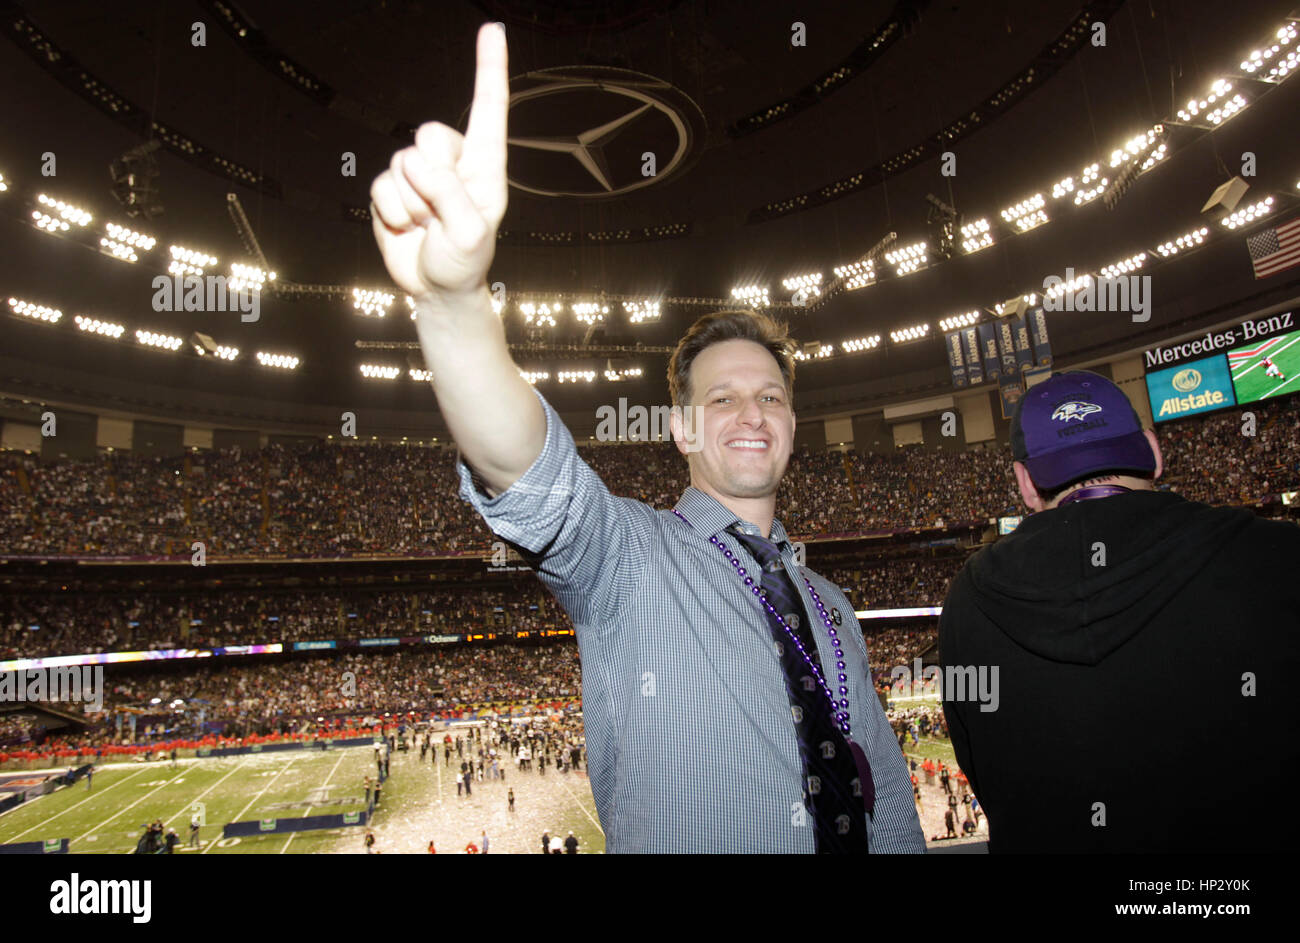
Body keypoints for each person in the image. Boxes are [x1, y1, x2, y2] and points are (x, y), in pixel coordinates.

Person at [367, 21, 922, 854]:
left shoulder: (832, 609)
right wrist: (454, 306)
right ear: (681, 427)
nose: (752, 412)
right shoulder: (627, 558)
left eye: (771, 394)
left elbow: (888, 807)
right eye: (723, 395)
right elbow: (526, 469)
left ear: (794, 424)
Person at [939, 371, 1300, 853]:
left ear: (1025, 483)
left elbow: (982, 767)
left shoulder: (968, 602)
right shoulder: (1277, 556)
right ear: (1152, 451)